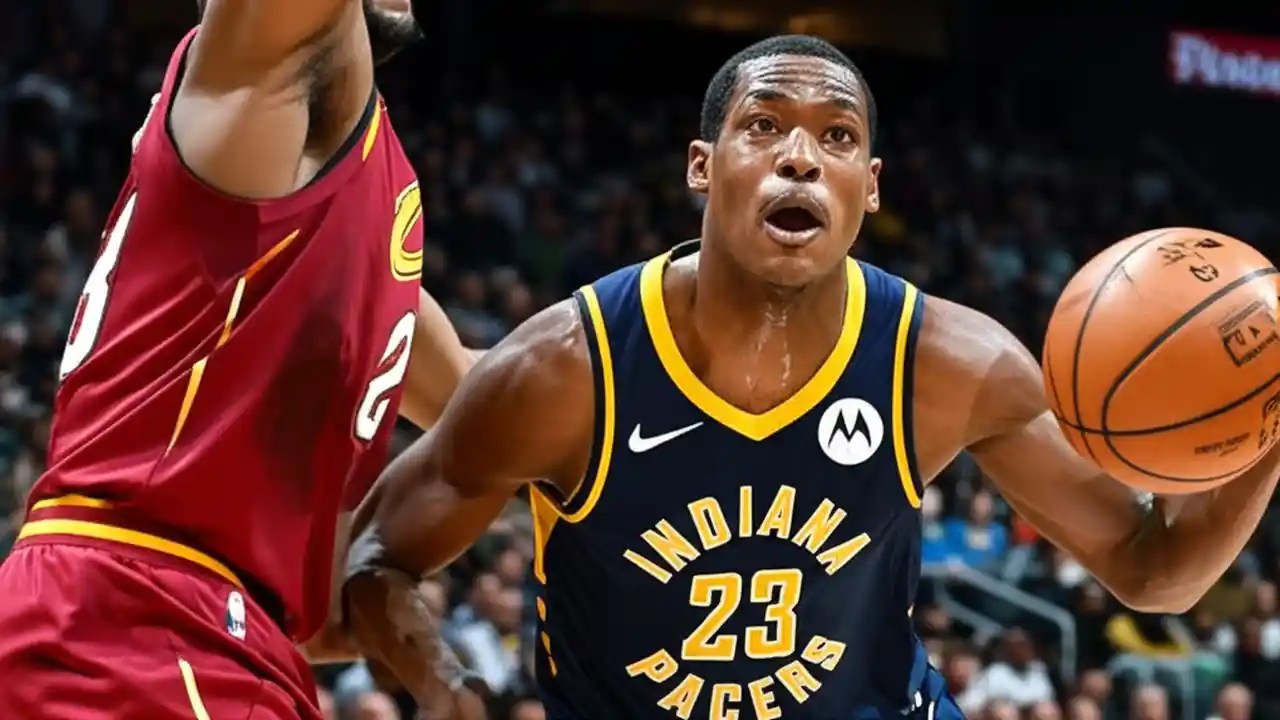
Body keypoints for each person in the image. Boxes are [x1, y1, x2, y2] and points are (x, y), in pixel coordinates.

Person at [344, 34, 1280, 719]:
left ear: (870, 187)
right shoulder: (568, 369)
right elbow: (378, 560)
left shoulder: (949, 364)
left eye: (836, 138)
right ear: (702, 168)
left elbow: (1156, 571)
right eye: (765, 126)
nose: (801, 155)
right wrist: (443, 684)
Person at [0, 1, 484, 718]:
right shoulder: (258, 88)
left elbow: (498, 399)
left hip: (215, 640)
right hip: (132, 621)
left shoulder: (357, 239)